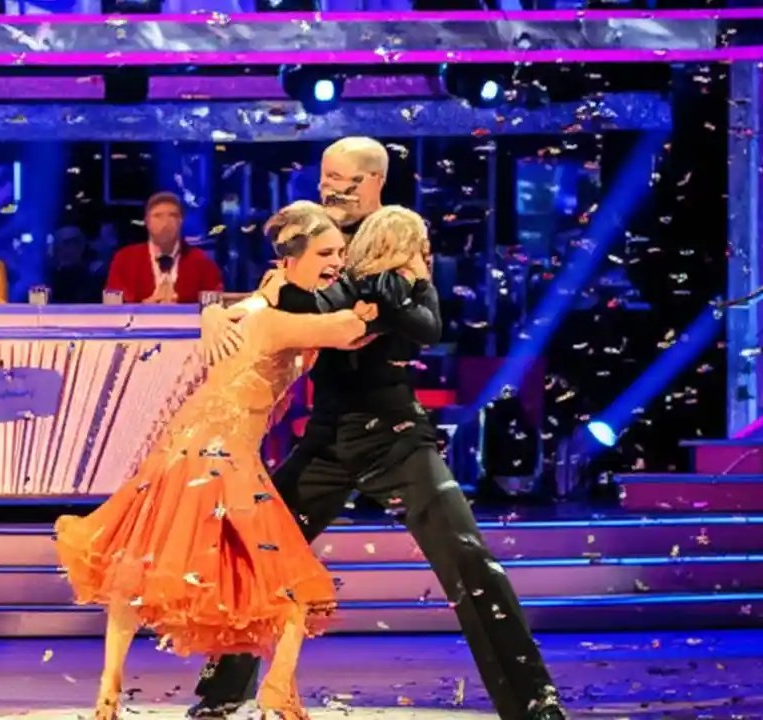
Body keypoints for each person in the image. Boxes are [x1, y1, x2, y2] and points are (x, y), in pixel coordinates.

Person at [189, 144, 565, 720]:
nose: (329, 188)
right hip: (328, 432)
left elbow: (426, 325)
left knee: (468, 560)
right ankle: (219, 696)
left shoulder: (398, 235)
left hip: (394, 432)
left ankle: (533, 704)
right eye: (324, 178)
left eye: (341, 180)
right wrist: (216, 312)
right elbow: (269, 300)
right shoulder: (309, 234)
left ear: (373, 181)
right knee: (259, 551)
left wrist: (376, 294)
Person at [54, 201, 380, 720]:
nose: (337, 260)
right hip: (221, 454)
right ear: (288, 261)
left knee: (138, 569)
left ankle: (109, 693)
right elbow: (347, 330)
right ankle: (276, 691)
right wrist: (395, 286)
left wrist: (212, 311)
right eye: (327, 252)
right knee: (286, 583)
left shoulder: (261, 307)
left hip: (185, 445)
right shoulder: (275, 321)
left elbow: (240, 307)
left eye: (341, 251)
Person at [104, 191, 223, 304]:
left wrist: (182, 311)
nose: (165, 222)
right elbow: (110, 306)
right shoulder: (124, 259)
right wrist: (142, 310)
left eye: (172, 215)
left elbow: (216, 309)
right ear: (147, 222)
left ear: (181, 221)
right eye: (157, 216)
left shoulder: (202, 262)